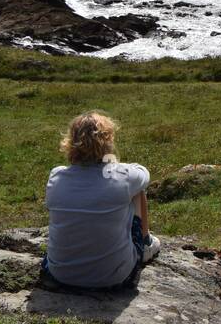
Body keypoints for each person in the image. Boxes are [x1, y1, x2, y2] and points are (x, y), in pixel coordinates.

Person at [44, 111, 160, 288]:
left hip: (61, 274)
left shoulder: (56, 176)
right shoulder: (123, 177)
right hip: (114, 277)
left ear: (70, 142)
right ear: (108, 140)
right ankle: (146, 244)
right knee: (138, 190)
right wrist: (115, 165)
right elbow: (144, 174)